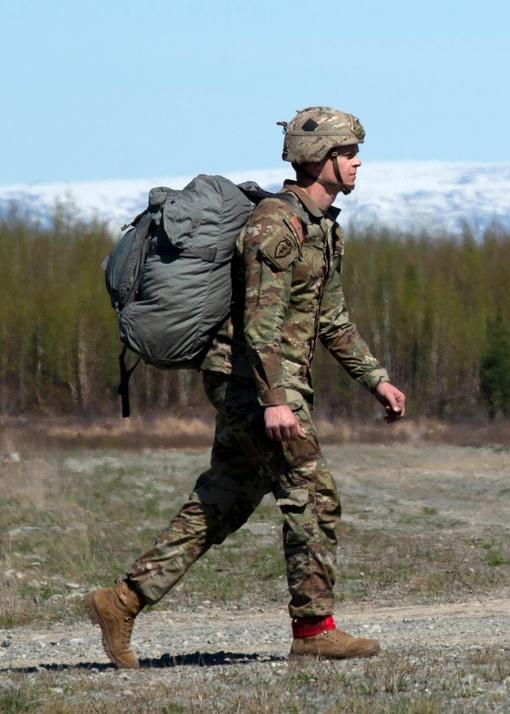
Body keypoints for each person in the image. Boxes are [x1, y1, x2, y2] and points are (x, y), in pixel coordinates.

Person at [84, 106, 406, 668]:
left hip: (266, 382)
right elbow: (260, 321)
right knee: (313, 495)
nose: (358, 163)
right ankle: (313, 630)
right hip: (252, 381)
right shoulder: (274, 225)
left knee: (224, 500)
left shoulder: (322, 228)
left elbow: (331, 318)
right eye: (348, 153)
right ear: (319, 159)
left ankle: (121, 600)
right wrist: (274, 400)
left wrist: (376, 380)